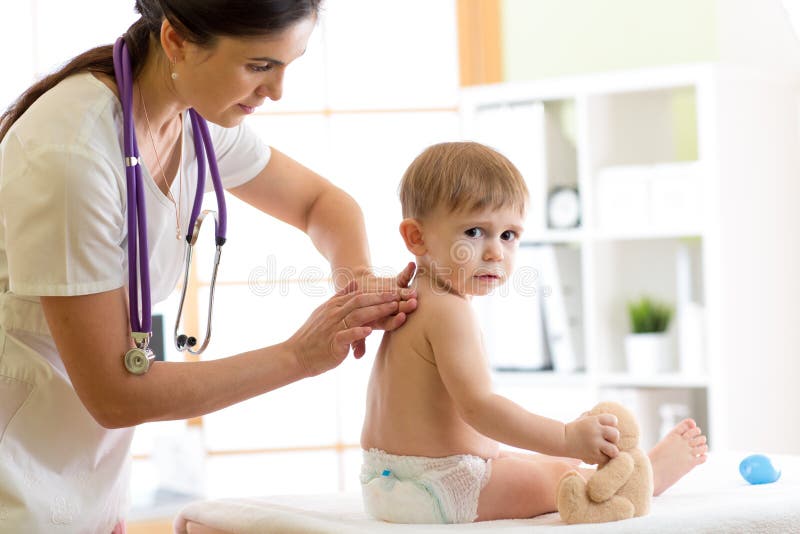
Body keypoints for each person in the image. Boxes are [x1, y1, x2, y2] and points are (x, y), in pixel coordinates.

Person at [0, 1, 417, 532]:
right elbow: (114, 393)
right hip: (14, 483)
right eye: (259, 66)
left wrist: (355, 280)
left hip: (87, 478)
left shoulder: (194, 120)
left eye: (290, 64)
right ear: (176, 41)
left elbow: (322, 205)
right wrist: (299, 355)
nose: (277, 90)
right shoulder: (70, 154)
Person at [360, 142, 708, 524]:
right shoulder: (449, 311)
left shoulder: (411, 297)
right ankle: (642, 480)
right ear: (416, 237)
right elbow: (479, 407)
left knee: (530, 462)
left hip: (385, 482)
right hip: (439, 486)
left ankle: (576, 461)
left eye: (509, 235)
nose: (495, 252)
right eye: (475, 231)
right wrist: (565, 437)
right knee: (559, 476)